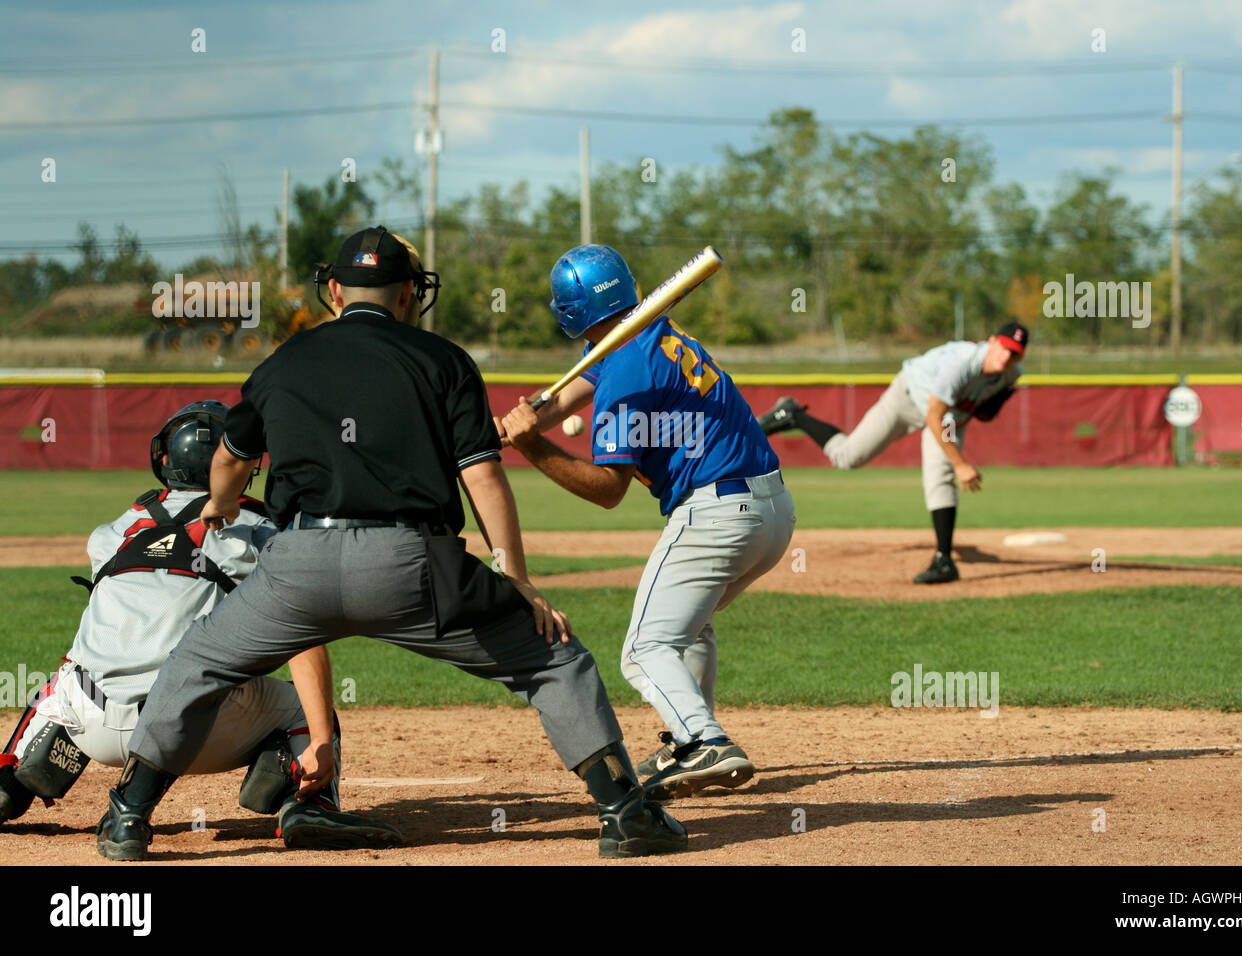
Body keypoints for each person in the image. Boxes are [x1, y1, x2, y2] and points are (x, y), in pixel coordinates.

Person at [92, 228, 686, 862]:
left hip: (298, 571)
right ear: (409, 293)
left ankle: (128, 816)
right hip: (414, 568)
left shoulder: (282, 364)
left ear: (336, 291)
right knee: (554, 660)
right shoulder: (443, 360)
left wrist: (220, 505)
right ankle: (624, 812)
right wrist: (514, 575)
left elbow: (231, 460)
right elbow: (482, 476)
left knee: (196, 665)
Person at [0, 401, 399, 852]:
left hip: (92, 728)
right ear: (236, 466)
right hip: (192, 732)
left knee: (66, 678)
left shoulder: (112, 532)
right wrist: (321, 733)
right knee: (301, 708)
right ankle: (310, 806)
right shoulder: (254, 531)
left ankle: (10, 783)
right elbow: (300, 635)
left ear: (163, 459)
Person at [500, 244, 796, 802]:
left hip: (715, 515)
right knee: (689, 627)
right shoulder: (655, 334)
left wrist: (533, 447)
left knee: (643, 647)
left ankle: (704, 741)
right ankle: (688, 740)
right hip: (770, 511)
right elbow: (580, 385)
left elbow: (609, 491)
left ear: (567, 310)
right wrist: (526, 420)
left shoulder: (625, 376)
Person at [757, 322, 1029, 584]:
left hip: (947, 417)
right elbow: (934, 415)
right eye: (1004, 347)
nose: (1007, 357)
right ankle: (792, 415)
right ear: (991, 341)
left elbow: (970, 412)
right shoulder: (960, 364)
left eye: (1015, 353)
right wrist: (961, 464)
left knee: (941, 476)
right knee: (848, 457)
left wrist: (955, 445)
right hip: (909, 397)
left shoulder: (1011, 374)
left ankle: (944, 560)